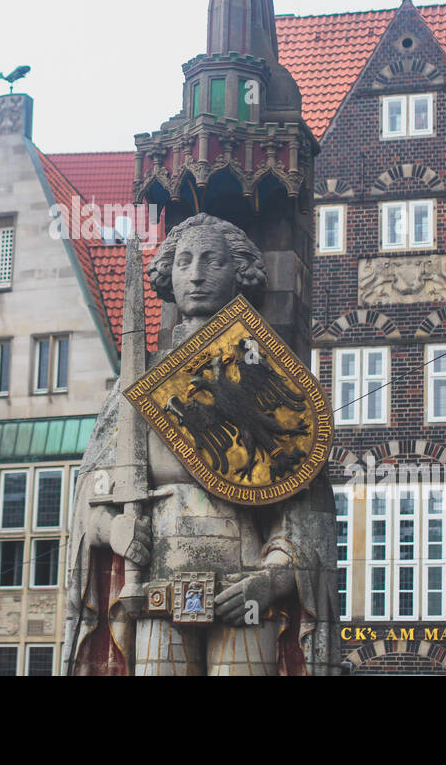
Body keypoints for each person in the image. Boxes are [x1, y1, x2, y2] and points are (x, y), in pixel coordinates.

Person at [62, 213, 340, 676]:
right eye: (185, 261)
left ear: (239, 273)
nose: (196, 274)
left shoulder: (266, 372)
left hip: (245, 584)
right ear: (168, 275)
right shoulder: (141, 382)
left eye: (212, 261)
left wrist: (272, 580)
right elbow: (92, 495)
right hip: (155, 585)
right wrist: (115, 531)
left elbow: (305, 506)